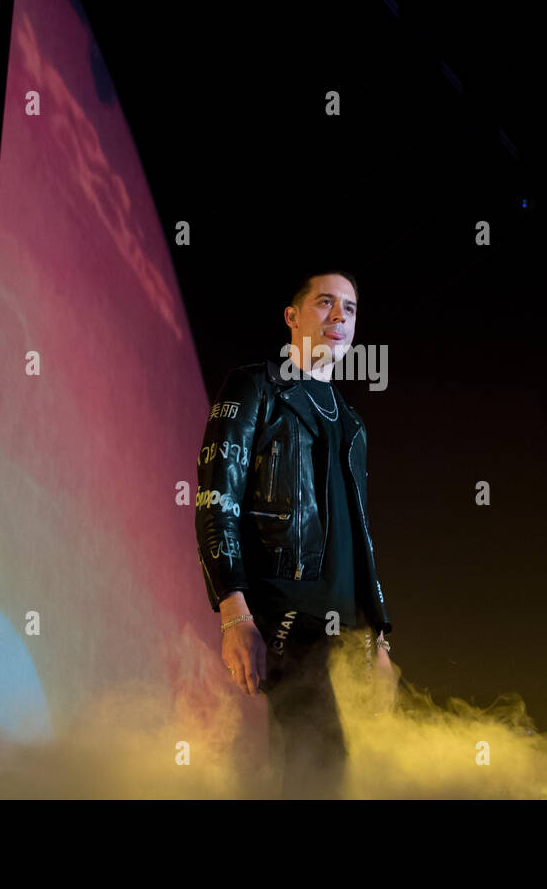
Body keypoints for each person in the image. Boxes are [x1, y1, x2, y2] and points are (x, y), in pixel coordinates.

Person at [194, 269, 394, 797]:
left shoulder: (352, 424)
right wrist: (234, 612)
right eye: (325, 303)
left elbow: (360, 534)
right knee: (319, 762)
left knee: (338, 768)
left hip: (345, 630)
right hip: (284, 615)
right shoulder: (254, 386)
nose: (339, 318)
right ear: (292, 316)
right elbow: (217, 497)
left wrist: (379, 638)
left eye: (349, 309)